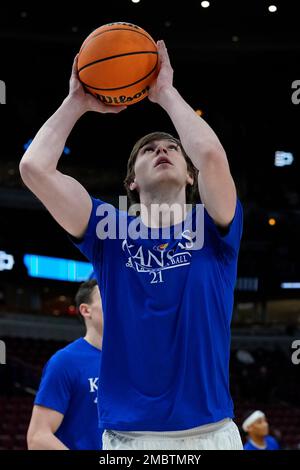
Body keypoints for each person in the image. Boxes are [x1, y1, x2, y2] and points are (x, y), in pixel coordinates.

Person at [20, 39, 243, 450]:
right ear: (132, 183)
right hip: (130, 440)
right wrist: (77, 102)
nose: (163, 149)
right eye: (149, 149)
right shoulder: (109, 230)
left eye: (173, 147)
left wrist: (165, 94)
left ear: (190, 177)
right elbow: (34, 167)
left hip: (211, 434)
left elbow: (211, 155)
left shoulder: (215, 224)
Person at [27, 279, 103, 450]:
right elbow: (38, 437)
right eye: (106, 298)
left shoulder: (131, 361)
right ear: (85, 310)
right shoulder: (65, 361)